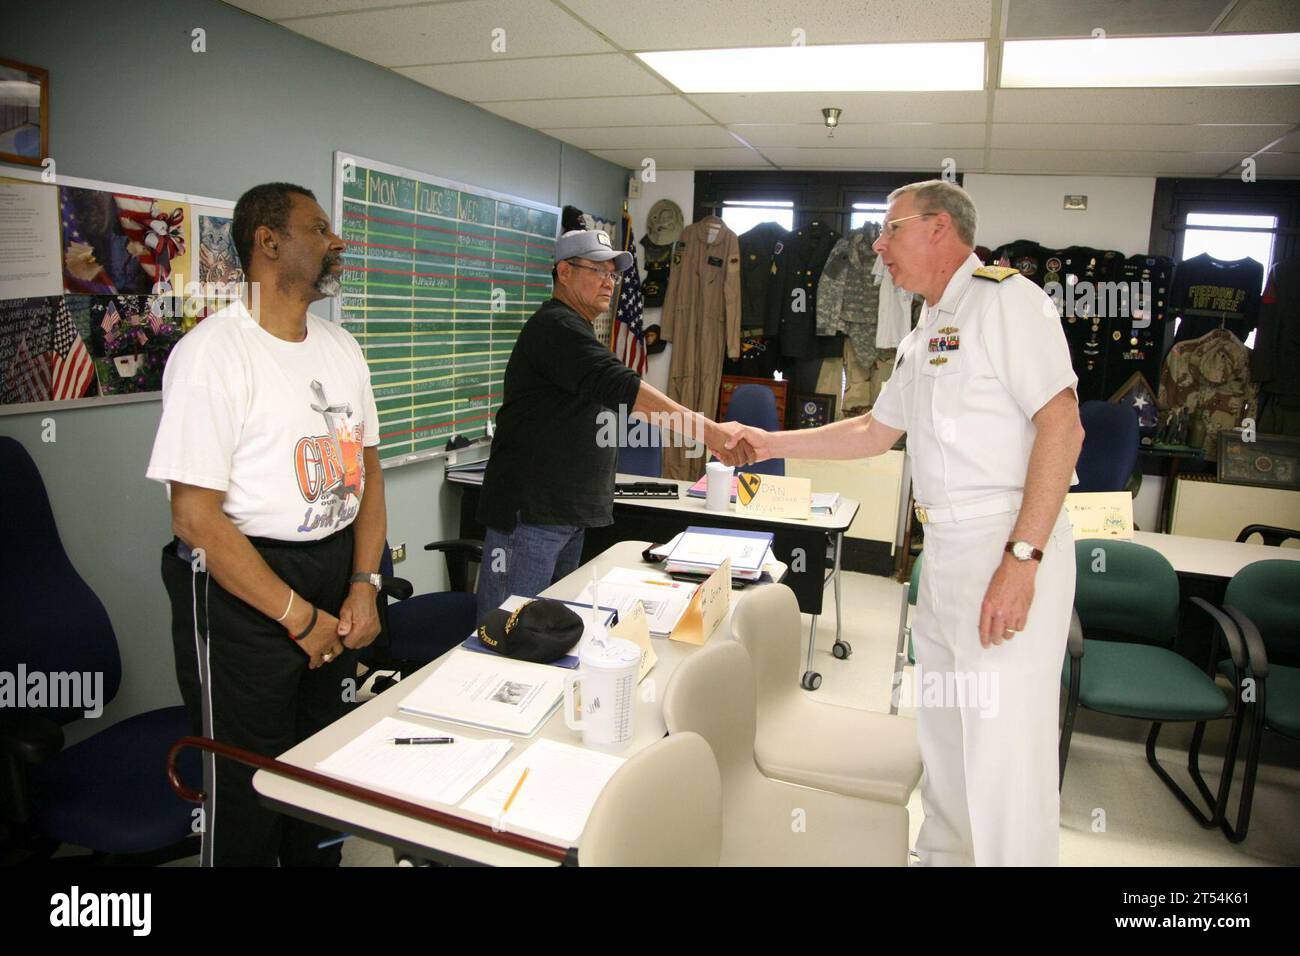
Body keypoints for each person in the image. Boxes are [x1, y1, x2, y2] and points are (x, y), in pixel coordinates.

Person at [725, 180, 1084, 866]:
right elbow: (873, 430)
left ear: (940, 228)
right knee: (944, 725)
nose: (879, 247)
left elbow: (1062, 426)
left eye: (890, 231)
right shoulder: (927, 326)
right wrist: (770, 443)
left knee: (1004, 738)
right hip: (946, 546)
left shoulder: (1009, 302)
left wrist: (1023, 557)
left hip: (1005, 541)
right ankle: (944, 855)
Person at [148, 182, 385, 866]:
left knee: (320, 778)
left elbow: (364, 480)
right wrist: (297, 617)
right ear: (268, 242)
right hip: (243, 589)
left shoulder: (342, 349)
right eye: (319, 228)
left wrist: (364, 583)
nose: (336, 240)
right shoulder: (212, 354)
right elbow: (195, 517)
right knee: (249, 789)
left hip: (334, 569)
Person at [476, 229, 744, 621]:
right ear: (564, 272)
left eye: (612, 274)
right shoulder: (556, 328)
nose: (608, 281)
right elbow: (626, 389)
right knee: (511, 631)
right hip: (532, 518)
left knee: (547, 632)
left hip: (564, 516)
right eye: (597, 270)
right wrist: (712, 433)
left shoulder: (577, 328)